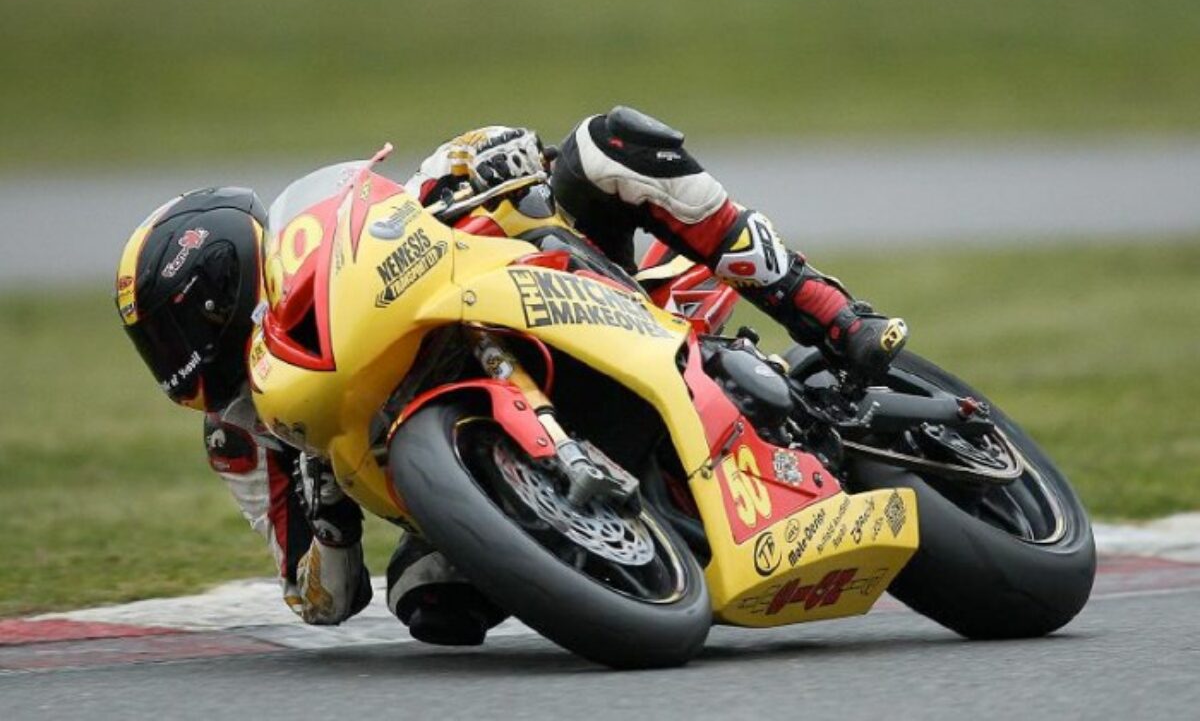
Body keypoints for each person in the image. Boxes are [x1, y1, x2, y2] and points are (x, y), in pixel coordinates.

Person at [115, 107, 908, 645]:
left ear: (223, 289)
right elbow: (320, 597)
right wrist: (325, 514)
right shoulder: (239, 437)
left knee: (606, 144)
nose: (174, 360)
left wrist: (486, 161)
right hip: (452, 470)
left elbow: (461, 173)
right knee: (429, 599)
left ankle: (831, 311)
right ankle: (631, 563)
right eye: (157, 345)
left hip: (567, 298)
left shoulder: (338, 257)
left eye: (173, 332)